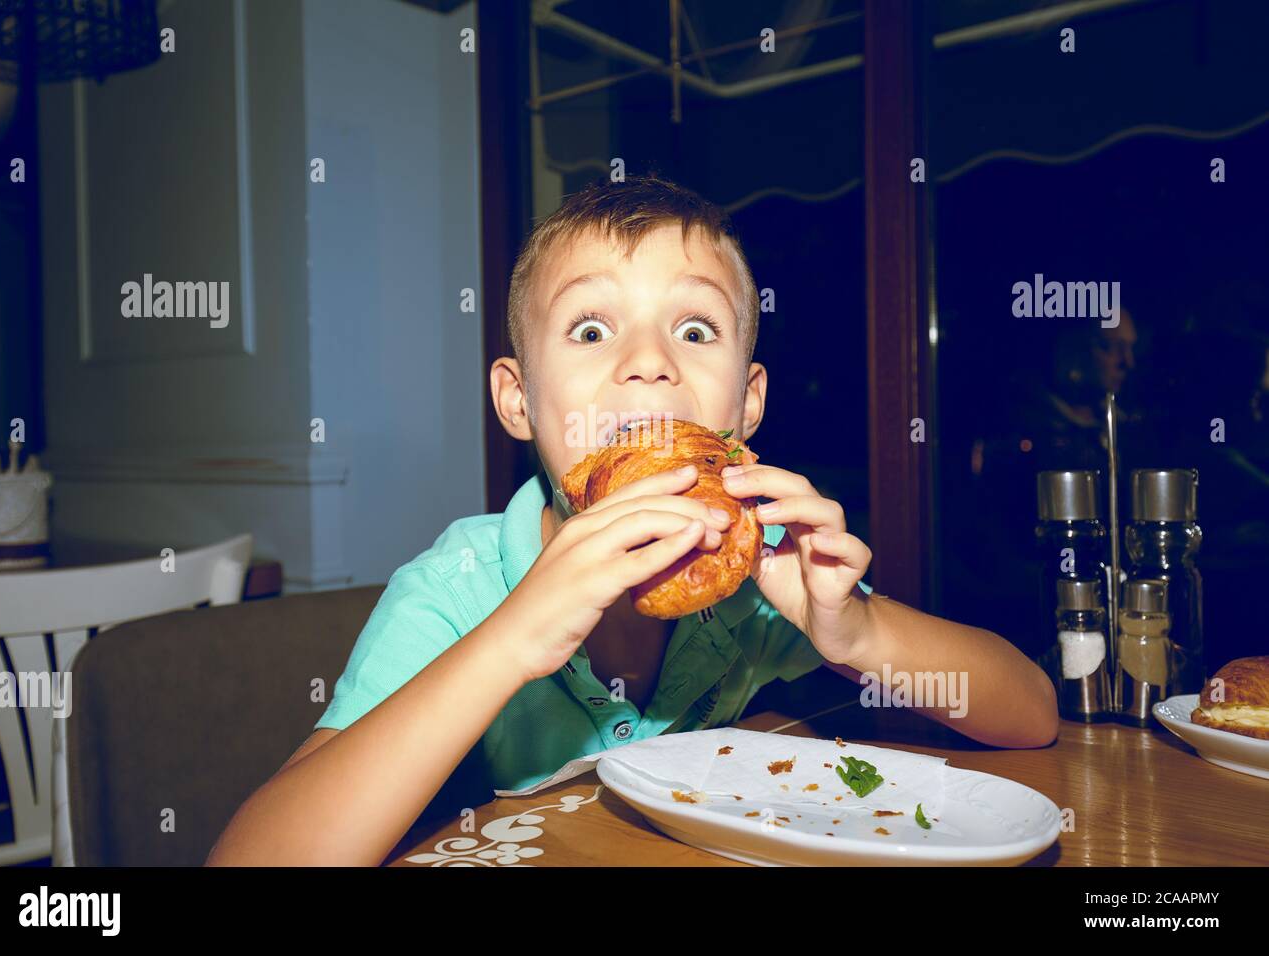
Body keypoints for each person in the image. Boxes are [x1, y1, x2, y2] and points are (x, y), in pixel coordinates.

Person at [206, 174, 1058, 866]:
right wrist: (511, 638)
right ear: (517, 401)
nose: (649, 363)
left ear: (747, 404)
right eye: (590, 328)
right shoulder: (459, 589)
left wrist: (856, 630)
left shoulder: (758, 574)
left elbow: (1030, 715)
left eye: (694, 328)